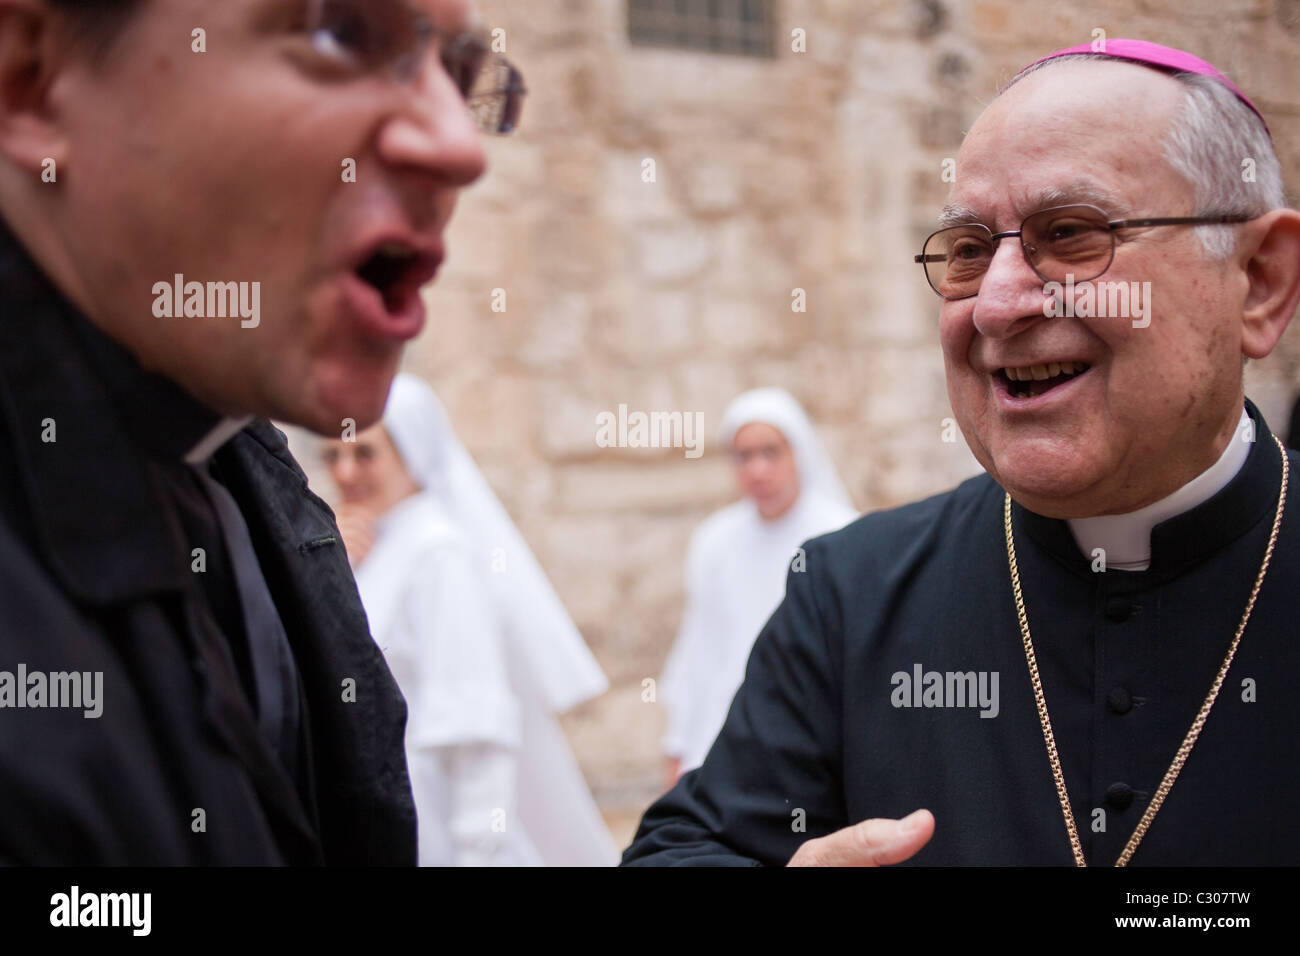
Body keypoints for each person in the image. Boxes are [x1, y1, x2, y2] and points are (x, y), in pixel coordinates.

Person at [623, 39, 1300, 866]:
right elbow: (678, 849)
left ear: (1259, 280)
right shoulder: (848, 596)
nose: (996, 304)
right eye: (970, 251)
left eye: (1072, 232)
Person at [0, 0, 523, 863]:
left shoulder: (239, 465)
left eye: (462, 76)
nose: (460, 147)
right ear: (34, 81)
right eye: (338, 34)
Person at [323, 373, 617, 866]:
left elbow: (475, 722)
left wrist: (477, 849)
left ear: (412, 452)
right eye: (334, 456)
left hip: (441, 828)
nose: (347, 472)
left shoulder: (440, 554)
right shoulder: (370, 547)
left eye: (365, 453)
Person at [659, 388, 857, 784]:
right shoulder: (713, 540)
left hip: (810, 737)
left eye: (770, 452)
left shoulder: (841, 533)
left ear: (798, 452)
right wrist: (679, 743)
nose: (757, 470)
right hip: (721, 736)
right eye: (744, 456)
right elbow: (701, 647)